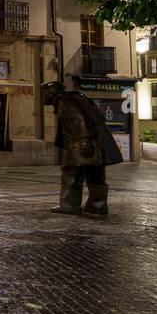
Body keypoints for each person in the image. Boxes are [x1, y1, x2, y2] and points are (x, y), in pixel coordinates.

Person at [42, 80, 123, 218]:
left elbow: (80, 119)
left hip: (81, 142)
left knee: (71, 173)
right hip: (93, 139)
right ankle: (97, 206)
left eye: (44, 93)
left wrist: (85, 141)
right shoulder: (76, 97)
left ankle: (70, 205)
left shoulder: (64, 101)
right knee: (94, 174)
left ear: (51, 93)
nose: (43, 97)